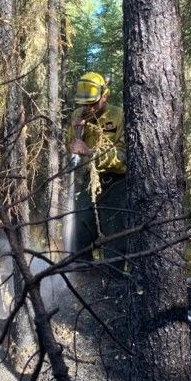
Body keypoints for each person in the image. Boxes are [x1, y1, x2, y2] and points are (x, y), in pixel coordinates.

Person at [66, 71, 127, 274]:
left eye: (92, 103)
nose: (88, 108)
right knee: (79, 229)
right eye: (84, 104)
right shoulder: (78, 115)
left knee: (114, 236)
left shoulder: (119, 116)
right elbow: (72, 147)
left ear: (105, 96)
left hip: (116, 182)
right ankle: (82, 280)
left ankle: (113, 281)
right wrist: (76, 132)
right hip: (89, 181)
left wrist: (90, 152)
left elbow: (122, 157)